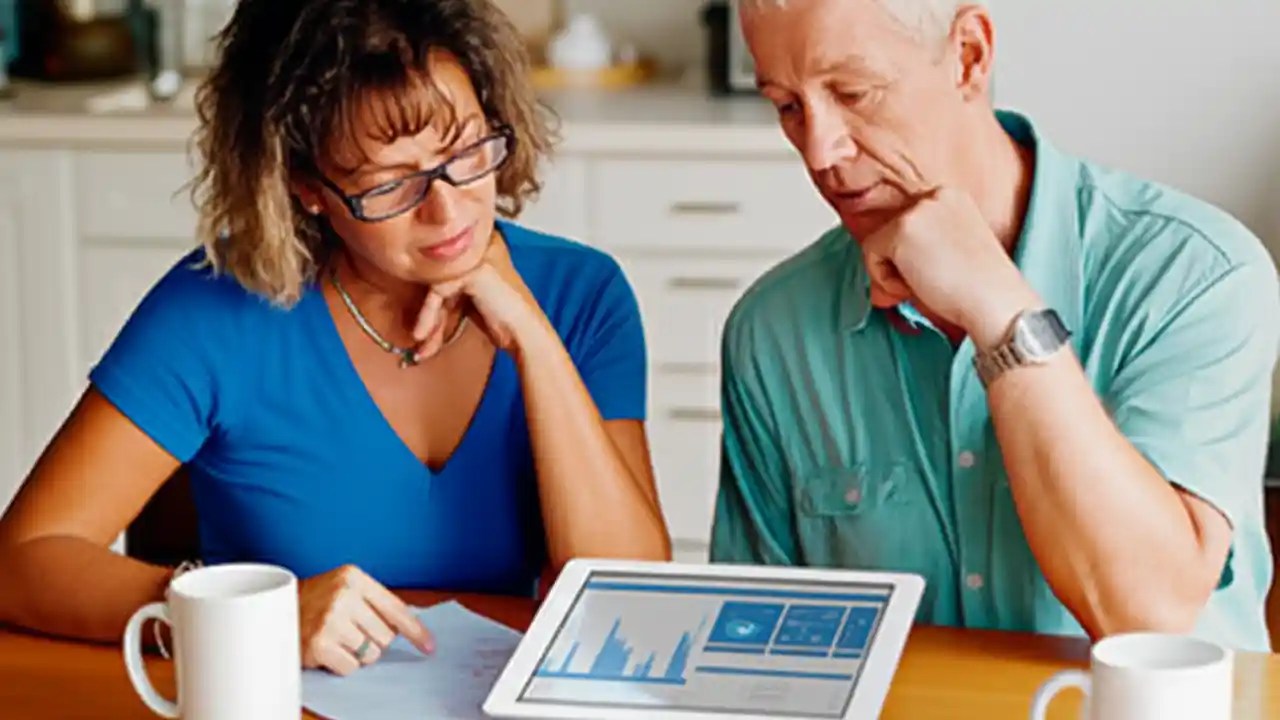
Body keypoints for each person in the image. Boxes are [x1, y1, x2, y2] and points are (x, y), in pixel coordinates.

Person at [0, 0, 670, 675]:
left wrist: (531, 335)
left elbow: (631, 601)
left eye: (466, 151)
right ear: (307, 189)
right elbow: (22, 559)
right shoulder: (213, 311)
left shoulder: (580, 295)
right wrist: (242, 619)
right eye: (391, 185)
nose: (448, 210)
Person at [710, 0, 1278, 653]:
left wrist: (1001, 313)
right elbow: (756, 657)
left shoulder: (1194, 274)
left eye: (852, 93)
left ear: (969, 57)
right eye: (787, 106)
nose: (819, 149)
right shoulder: (773, 331)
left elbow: (1147, 617)